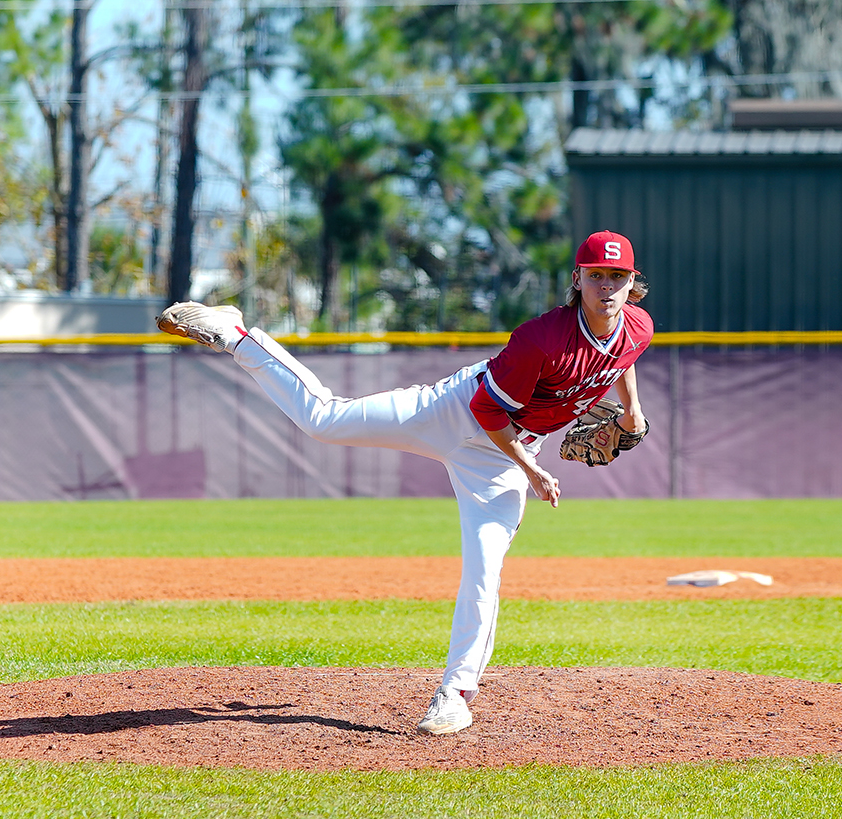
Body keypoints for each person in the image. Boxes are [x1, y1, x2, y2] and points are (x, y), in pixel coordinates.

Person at [158, 231, 654, 735]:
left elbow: (625, 357)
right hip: (459, 413)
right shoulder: (541, 338)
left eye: (617, 276)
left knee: (485, 569)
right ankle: (236, 334)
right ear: (577, 279)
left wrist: (632, 414)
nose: (606, 286)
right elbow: (487, 410)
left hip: (502, 459)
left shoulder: (639, 328)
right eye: (596, 275)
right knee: (324, 420)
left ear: (632, 281)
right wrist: (530, 468)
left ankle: (455, 695)